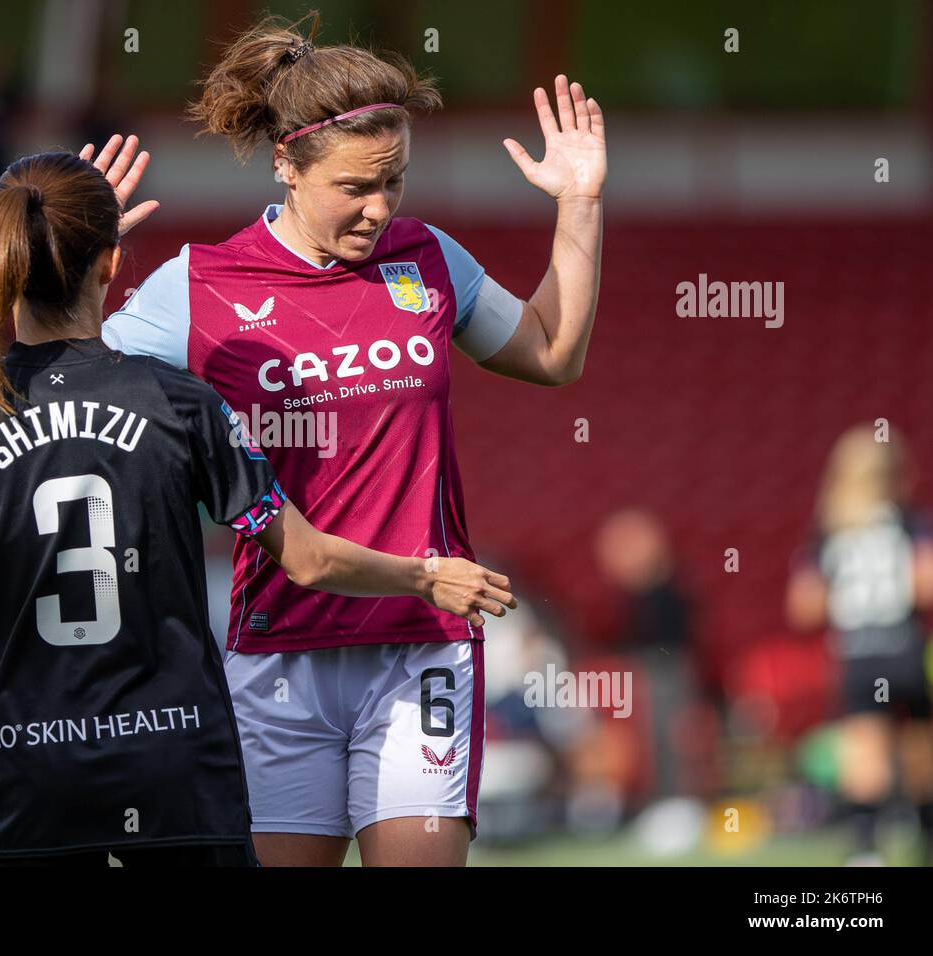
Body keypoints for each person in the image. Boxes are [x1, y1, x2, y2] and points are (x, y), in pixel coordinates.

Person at [0, 151, 514, 867]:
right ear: (111, 267)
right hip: (175, 773)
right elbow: (307, 556)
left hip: (26, 783)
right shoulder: (181, 406)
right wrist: (425, 577)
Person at [98, 13, 604, 866]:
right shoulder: (199, 287)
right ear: (287, 165)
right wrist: (68, 259)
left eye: (394, 181)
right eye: (354, 187)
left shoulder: (426, 257)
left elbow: (552, 352)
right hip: (278, 652)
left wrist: (580, 205)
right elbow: (50, 381)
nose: (379, 208)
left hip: (422, 648)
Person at [786, 425, 933, 865]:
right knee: (921, 747)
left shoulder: (830, 532)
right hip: (905, 648)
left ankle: (867, 849)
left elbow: (803, 606)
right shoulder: (909, 522)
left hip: (859, 655)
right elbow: (926, 584)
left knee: (864, 750)